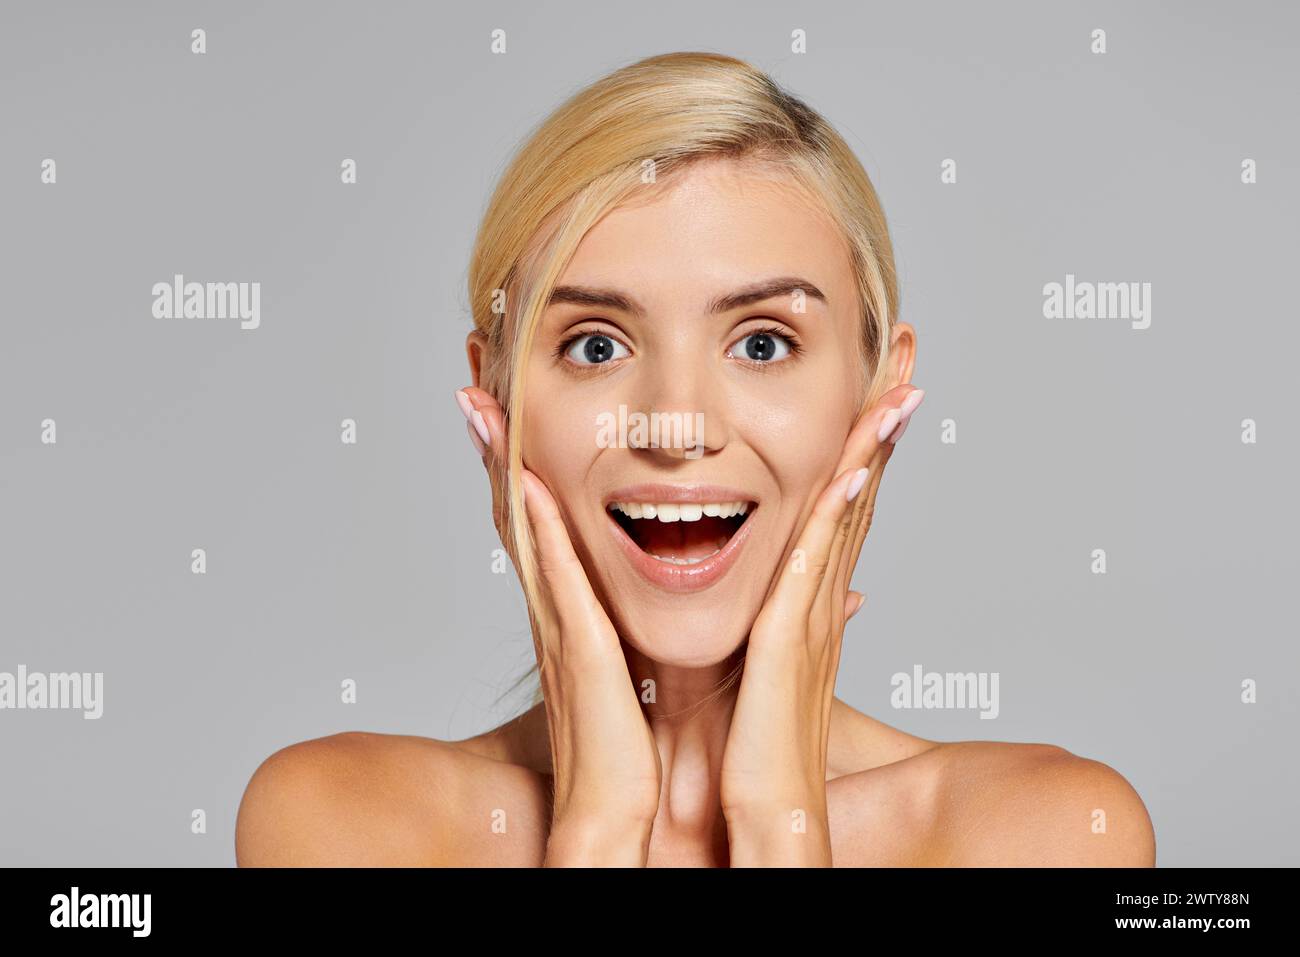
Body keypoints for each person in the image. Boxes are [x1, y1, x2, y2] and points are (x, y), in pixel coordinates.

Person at [236, 51, 1155, 867]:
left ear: (877, 393)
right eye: (596, 345)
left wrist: (778, 820)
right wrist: (596, 827)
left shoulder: (1048, 834)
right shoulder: (342, 822)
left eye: (761, 344)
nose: (676, 426)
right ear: (499, 400)